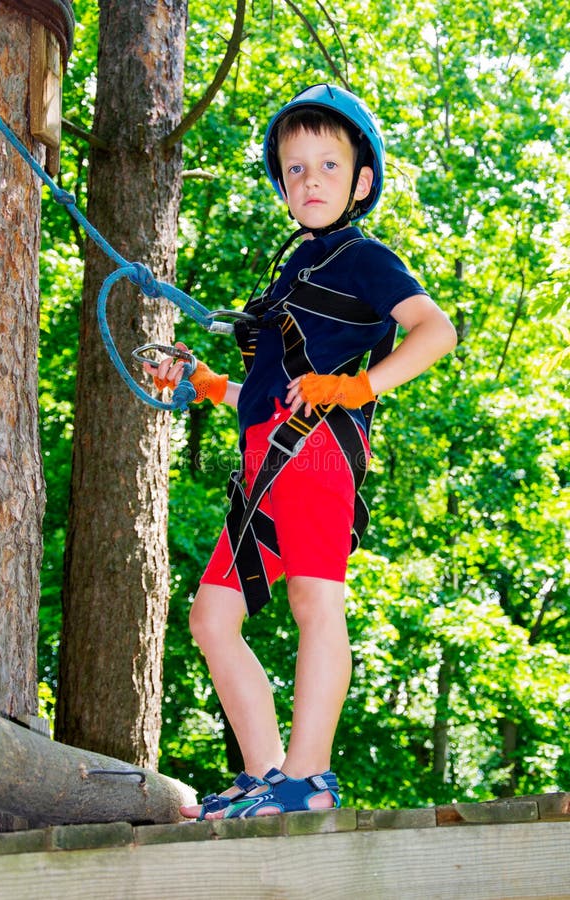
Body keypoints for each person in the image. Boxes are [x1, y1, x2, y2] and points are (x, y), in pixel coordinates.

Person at [145, 83, 457, 818]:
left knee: (316, 602)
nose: (310, 179)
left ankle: (308, 779)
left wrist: (360, 387)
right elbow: (269, 392)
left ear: (362, 182)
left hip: (315, 454)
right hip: (267, 457)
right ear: (282, 184)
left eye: (327, 164)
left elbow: (436, 330)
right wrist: (206, 383)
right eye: (295, 168)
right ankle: (267, 775)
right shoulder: (294, 273)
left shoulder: (364, 258)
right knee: (212, 618)